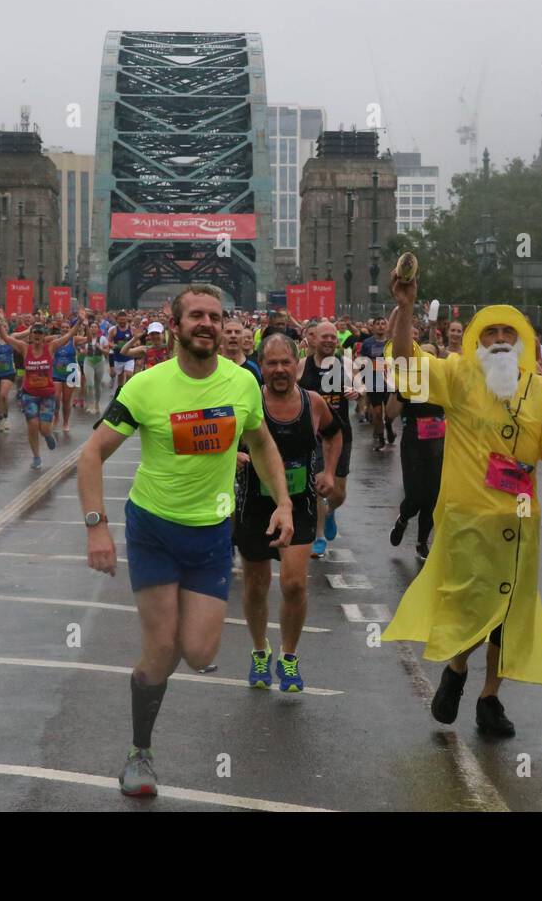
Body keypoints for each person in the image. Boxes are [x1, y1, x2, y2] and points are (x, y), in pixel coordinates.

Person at [78, 284, 293, 797]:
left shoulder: (243, 383)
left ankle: (163, 659)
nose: (207, 323)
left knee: (196, 652)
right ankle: (140, 753)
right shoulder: (147, 387)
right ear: (174, 326)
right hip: (154, 529)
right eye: (196, 315)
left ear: (224, 327)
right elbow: (91, 455)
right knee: (159, 651)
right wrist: (97, 527)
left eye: (216, 317)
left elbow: (262, 443)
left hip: (212, 534)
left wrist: (283, 501)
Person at [383, 272, 542, 736]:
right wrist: (406, 309)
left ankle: (490, 699)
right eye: (490, 333)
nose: (498, 340)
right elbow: (408, 368)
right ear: (476, 340)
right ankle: (456, 668)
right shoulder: (457, 375)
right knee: (472, 606)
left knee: (508, 614)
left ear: (521, 342)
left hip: (520, 522)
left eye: (507, 333)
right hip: (467, 519)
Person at [237, 333, 341, 692]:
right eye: (271, 363)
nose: (279, 370)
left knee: (294, 584)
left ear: (296, 365)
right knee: (255, 586)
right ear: (260, 366)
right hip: (255, 504)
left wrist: (328, 471)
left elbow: (334, 432)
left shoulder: (313, 403)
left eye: (286, 363)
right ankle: (259, 650)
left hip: (299, 503)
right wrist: (231, 457)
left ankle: (289, 657)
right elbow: (224, 439)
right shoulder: (247, 403)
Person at [387, 314, 445, 560]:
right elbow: (390, 414)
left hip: (439, 445)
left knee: (432, 496)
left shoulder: (444, 385)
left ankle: (422, 542)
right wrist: (397, 390)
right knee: (416, 496)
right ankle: (403, 518)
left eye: (433, 356)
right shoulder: (409, 382)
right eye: (425, 355)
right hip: (413, 443)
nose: (429, 360)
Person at [297, 320, 353, 557]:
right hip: (313, 435)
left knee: (338, 492)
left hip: (340, 434)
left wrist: (357, 391)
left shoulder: (346, 365)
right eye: (324, 337)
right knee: (319, 486)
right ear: (313, 339)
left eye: (333, 337)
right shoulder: (301, 365)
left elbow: (360, 385)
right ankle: (319, 536)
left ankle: (330, 512)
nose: (330, 340)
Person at [0, 320, 76, 469]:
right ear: (30, 335)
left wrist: (79, 322)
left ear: (44, 336)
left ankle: (47, 435)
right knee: (33, 425)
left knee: (45, 428)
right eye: (35, 332)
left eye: (40, 333)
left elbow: (68, 336)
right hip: (29, 394)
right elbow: (7, 339)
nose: (37, 335)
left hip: (47, 394)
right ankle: (36, 457)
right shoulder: (24, 348)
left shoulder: (51, 347)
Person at [357, 316, 395, 450]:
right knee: (377, 413)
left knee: (390, 413)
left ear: (387, 326)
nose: (380, 326)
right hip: (374, 383)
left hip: (389, 383)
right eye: (377, 324)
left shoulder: (391, 342)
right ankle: (381, 438)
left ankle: (389, 428)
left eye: (383, 323)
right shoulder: (367, 343)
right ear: (372, 327)